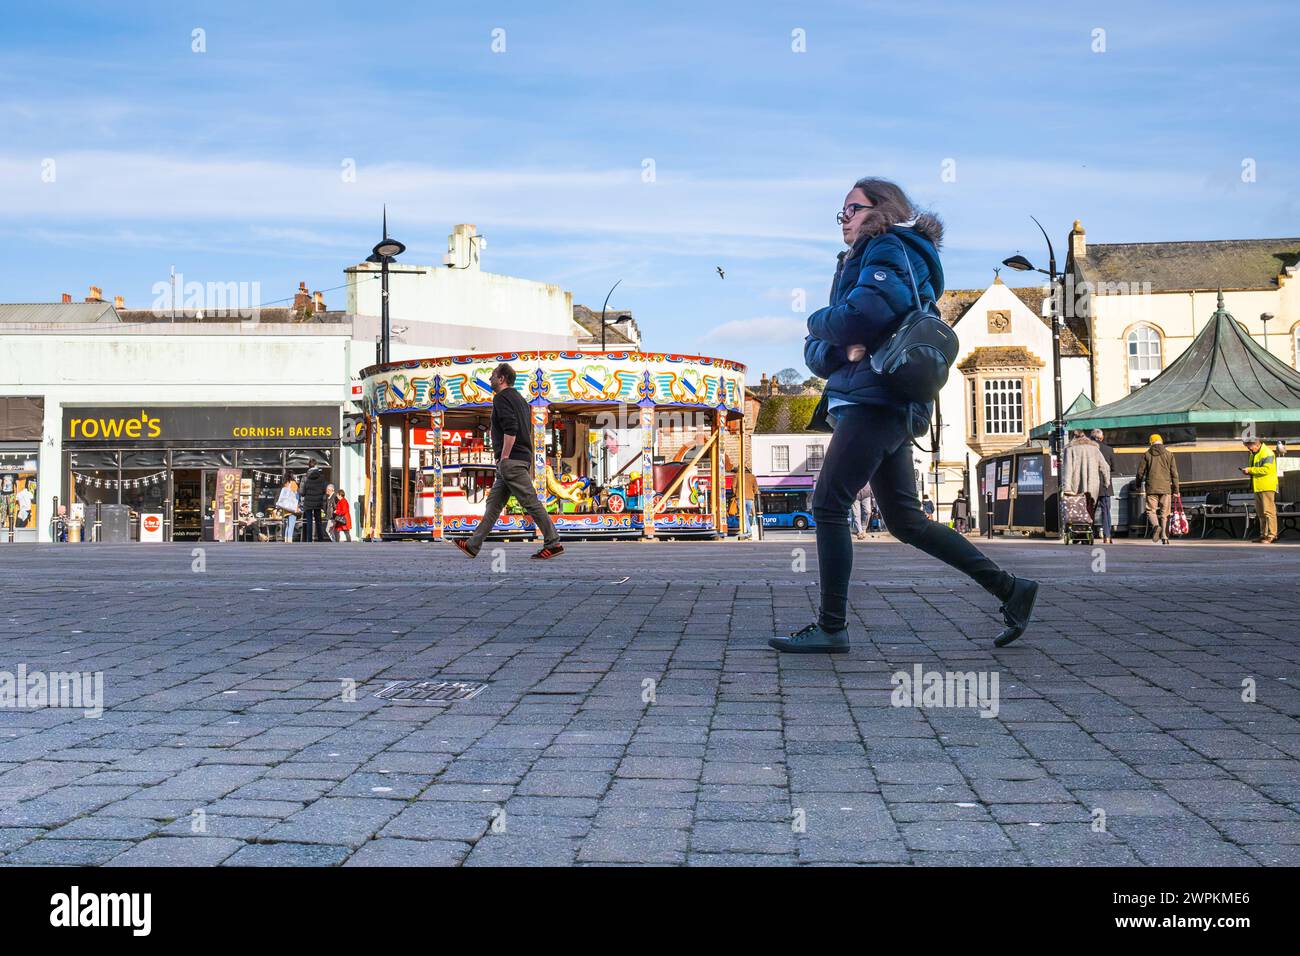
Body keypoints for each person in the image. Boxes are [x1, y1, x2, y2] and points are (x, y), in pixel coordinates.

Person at [771, 176, 1038, 654]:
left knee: (829, 504)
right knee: (906, 521)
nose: (843, 221)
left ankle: (832, 626)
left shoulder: (889, 247)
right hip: (882, 400)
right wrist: (837, 348)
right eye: (841, 213)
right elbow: (822, 352)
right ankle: (1010, 589)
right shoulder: (868, 255)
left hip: (876, 400)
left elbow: (858, 317)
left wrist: (815, 321)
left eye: (851, 210)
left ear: (880, 210)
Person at [455, 362, 563, 560]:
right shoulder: (520, 399)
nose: (490, 379)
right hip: (517, 459)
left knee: (531, 502)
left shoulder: (501, 398)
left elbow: (511, 428)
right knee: (493, 505)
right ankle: (473, 545)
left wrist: (504, 456)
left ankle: (553, 542)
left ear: (502, 378)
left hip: (510, 461)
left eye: (493, 375)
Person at [1136, 433, 1179, 544]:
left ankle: (1156, 526)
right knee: (1165, 513)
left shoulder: (1147, 454)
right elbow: (1174, 474)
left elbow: (1140, 472)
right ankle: (1165, 536)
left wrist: (1138, 484)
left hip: (1151, 488)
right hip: (1166, 488)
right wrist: (1176, 491)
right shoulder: (1169, 454)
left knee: (1151, 511)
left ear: (1151, 442)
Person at [1063, 429, 1110, 525]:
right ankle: (1089, 532)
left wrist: (1066, 488)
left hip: (1075, 487)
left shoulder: (1070, 449)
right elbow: (1105, 467)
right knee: (1090, 510)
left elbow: (1067, 470)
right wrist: (1106, 482)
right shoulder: (1094, 448)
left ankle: (1077, 534)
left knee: (1077, 511)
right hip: (1093, 486)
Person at [1241, 437, 1278, 544]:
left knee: (1269, 512)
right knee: (1261, 513)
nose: (1249, 450)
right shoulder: (1255, 454)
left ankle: (1272, 535)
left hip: (1267, 486)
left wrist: (1250, 470)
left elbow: (1267, 469)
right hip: (1258, 486)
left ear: (1256, 445)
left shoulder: (1267, 453)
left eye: (1250, 448)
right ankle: (1263, 535)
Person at [1090, 429, 1117, 544]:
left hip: (1091, 485)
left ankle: (1088, 534)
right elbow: (1114, 468)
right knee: (1106, 511)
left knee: (1089, 511)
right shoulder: (1109, 450)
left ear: (1091, 438)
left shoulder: (1089, 450)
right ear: (1102, 438)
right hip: (1105, 486)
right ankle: (1107, 536)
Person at [298, 460, 329, 542]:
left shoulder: (305, 477)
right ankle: (320, 539)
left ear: (309, 466)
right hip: (318, 501)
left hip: (308, 502)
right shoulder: (321, 477)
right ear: (316, 465)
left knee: (309, 521)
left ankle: (309, 540)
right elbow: (324, 489)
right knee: (318, 521)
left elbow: (302, 492)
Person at [275, 476, 300, 543]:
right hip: (292, 508)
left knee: (288, 525)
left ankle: (286, 539)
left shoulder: (285, 484)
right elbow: (296, 495)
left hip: (285, 508)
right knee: (291, 525)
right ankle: (289, 540)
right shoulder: (293, 483)